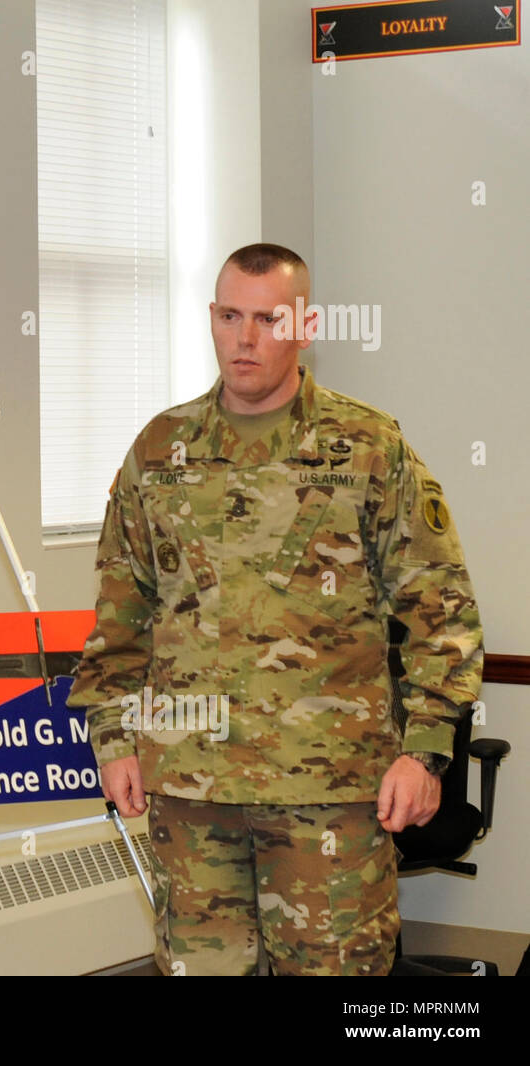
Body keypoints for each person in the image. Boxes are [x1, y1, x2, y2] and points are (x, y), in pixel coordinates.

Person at [68, 244, 482, 976]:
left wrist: (424, 753)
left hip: (328, 792)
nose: (245, 338)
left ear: (305, 325)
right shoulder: (161, 452)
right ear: (212, 319)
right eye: (230, 316)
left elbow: (438, 608)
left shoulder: (367, 447)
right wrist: (113, 736)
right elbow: (120, 613)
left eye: (267, 318)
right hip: (189, 789)